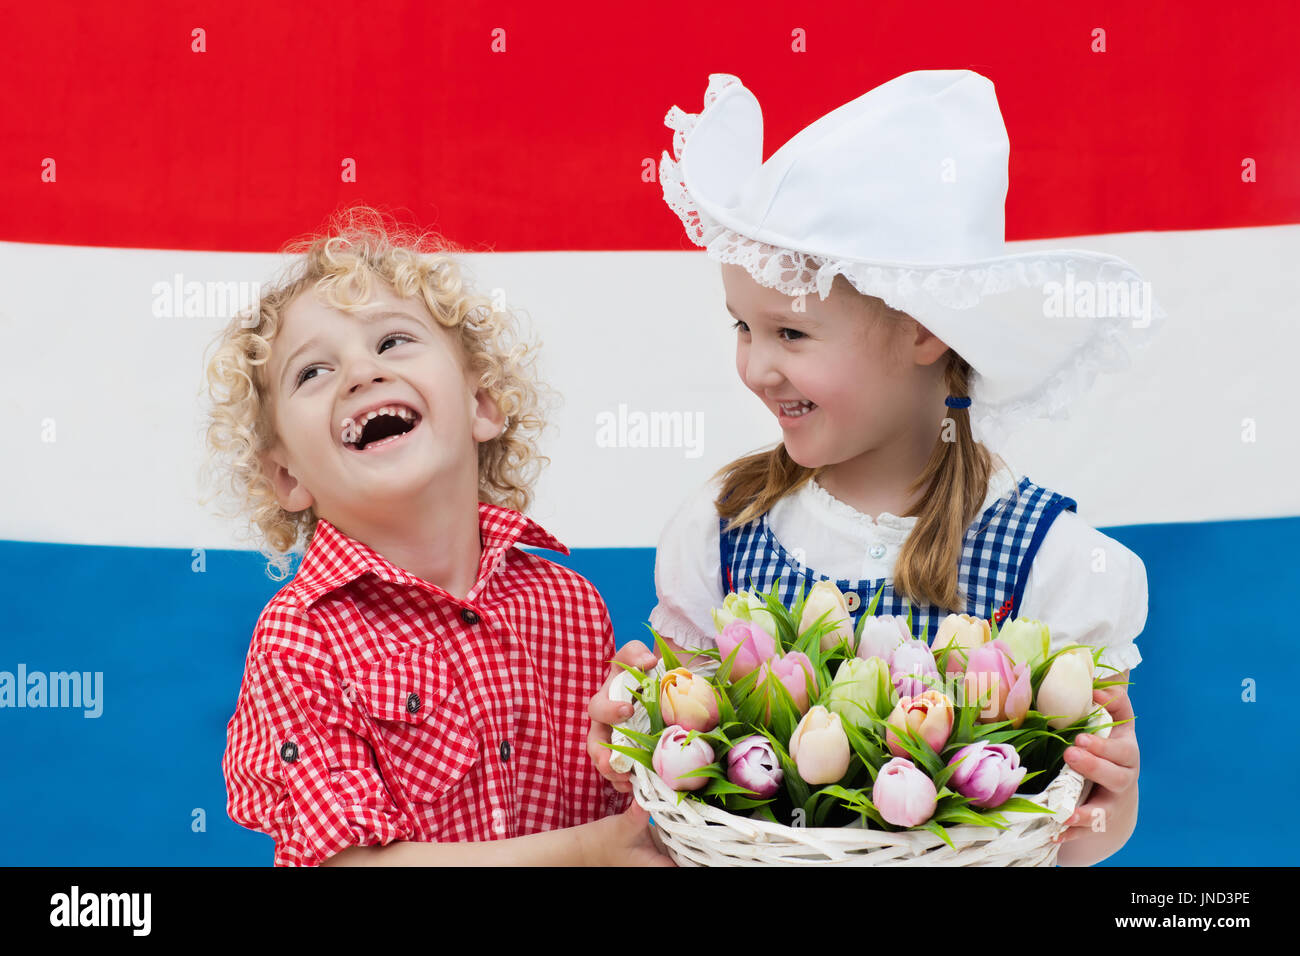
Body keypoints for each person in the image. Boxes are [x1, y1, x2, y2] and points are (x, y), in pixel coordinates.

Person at [588, 71, 1163, 865]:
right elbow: (680, 803)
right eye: (742, 328)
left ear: (925, 331)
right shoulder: (724, 526)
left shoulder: (1053, 561)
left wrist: (1113, 797)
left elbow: (1073, 840)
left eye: (790, 334)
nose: (756, 367)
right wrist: (635, 739)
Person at [203, 206, 670, 866]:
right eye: (313, 372)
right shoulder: (301, 641)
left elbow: (620, 817)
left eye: (392, 342)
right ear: (286, 476)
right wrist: (596, 851)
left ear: (481, 405)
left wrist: (640, 746)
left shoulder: (570, 606)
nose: (362, 373)